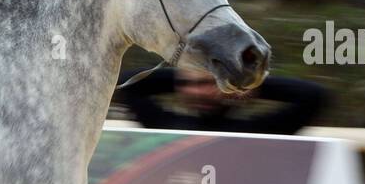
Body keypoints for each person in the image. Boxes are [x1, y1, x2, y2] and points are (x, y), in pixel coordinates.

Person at [117, 62, 329, 135]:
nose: (196, 92)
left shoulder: (259, 131)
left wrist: (250, 84)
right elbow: (129, 82)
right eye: (187, 84)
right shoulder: (165, 125)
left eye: (206, 84)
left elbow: (313, 96)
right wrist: (188, 75)